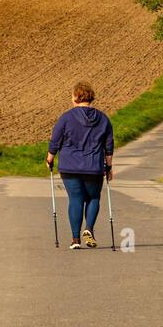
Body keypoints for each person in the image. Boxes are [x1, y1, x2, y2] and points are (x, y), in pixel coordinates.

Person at [47, 81, 114, 249]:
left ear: (76, 97)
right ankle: (89, 229)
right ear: (90, 98)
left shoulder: (66, 118)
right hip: (93, 167)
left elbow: (55, 140)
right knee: (93, 198)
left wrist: (50, 158)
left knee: (75, 199)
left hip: (69, 167)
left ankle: (75, 240)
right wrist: (109, 166)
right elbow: (108, 145)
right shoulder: (103, 119)